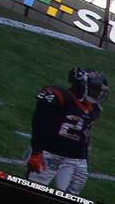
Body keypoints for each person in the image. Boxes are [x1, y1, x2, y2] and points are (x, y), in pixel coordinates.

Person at [26, 67, 107, 195]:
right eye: (94, 89)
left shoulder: (95, 108)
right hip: (50, 153)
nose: (97, 94)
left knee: (71, 196)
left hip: (75, 158)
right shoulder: (58, 96)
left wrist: (83, 158)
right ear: (80, 85)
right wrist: (36, 152)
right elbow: (40, 123)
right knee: (33, 191)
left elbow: (85, 134)